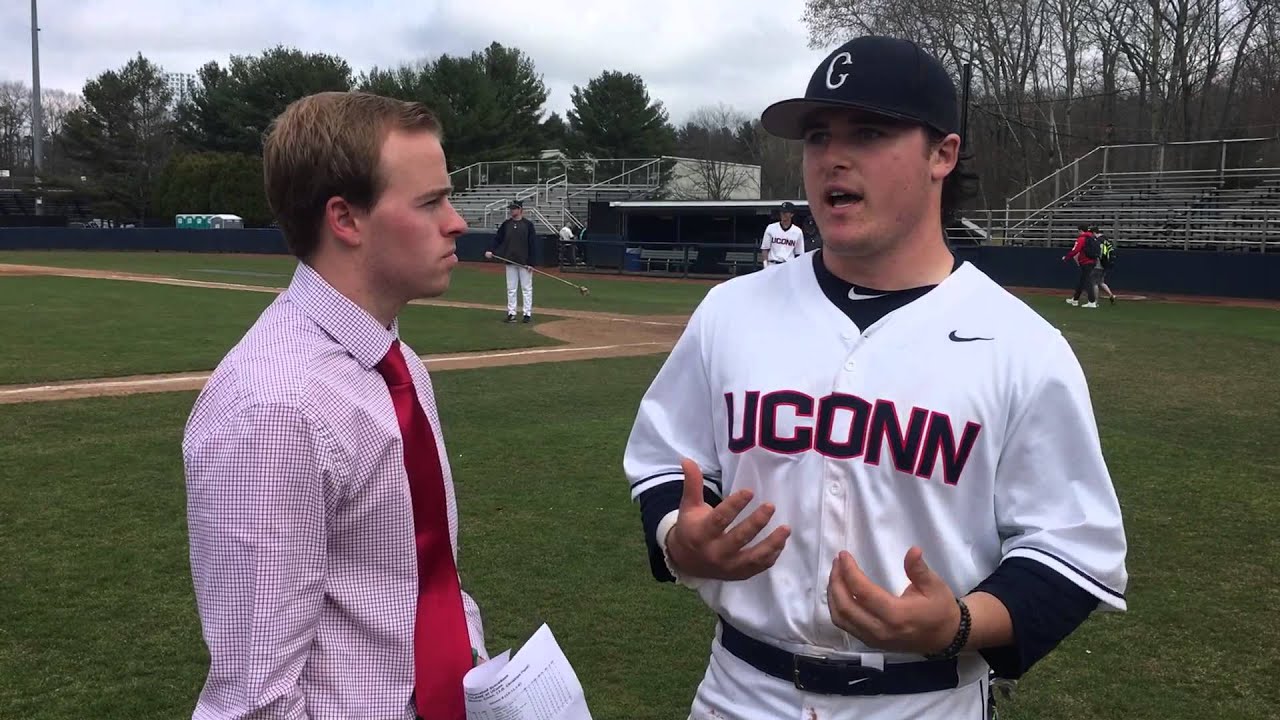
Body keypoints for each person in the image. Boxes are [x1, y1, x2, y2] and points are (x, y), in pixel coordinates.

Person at [622, 35, 1128, 720]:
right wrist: (679, 538)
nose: (834, 156)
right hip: (741, 691)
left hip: (923, 701)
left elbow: (1073, 549)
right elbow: (666, 458)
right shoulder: (731, 310)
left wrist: (959, 625)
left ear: (941, 155)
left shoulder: (1021, 344)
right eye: (818, 135)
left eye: (868, 132)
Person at [182, 91, 487, 720]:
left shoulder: (397, 367)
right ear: (345, 220)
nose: (456, 221)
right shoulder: (273, 410)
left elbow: (423, 581)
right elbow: (258, 701)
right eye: (430, 202)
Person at [486, 200, 538, 323]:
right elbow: (498, 239)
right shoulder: (506, 224)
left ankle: (527, 314)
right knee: (511, 288)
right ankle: (511, 313)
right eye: (511, 208)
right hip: (510, 260)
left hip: (524, 262)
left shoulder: (528, 225)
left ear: (521, 210)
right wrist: (491, 250)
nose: (512, 210)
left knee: (526, 288)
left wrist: (531, 262)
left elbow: (533, 244)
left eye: (515, 208)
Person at [760, 201, 806, 267]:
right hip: (772, 264)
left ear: (791, 214)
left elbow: (799, 253)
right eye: (781, 212)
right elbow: (765, 249)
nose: (783, 214)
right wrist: (765, 265)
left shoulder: (797, 231)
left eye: (785, 212)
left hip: (788, 265)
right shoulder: (771, 228)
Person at [1063, 224, 1100, 307]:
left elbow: (1075, 250)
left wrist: (1067, 257)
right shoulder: (1092, 238)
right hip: (1093, 261)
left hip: (1085, 262)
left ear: (1080, 230)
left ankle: (1092, 301)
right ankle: (1075, 299)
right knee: (1082, 281)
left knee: (1087, 281)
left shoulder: (1082, 238)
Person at [1093, 227, 1118, 305]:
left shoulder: (1098, 241)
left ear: (1094, 233)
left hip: (1098, 263)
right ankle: (1111, 295)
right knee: (1101, 282)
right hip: (1105, 264)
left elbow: (1098, 253)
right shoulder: (1107, 240)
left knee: (1094, 283)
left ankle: (1095, 302)